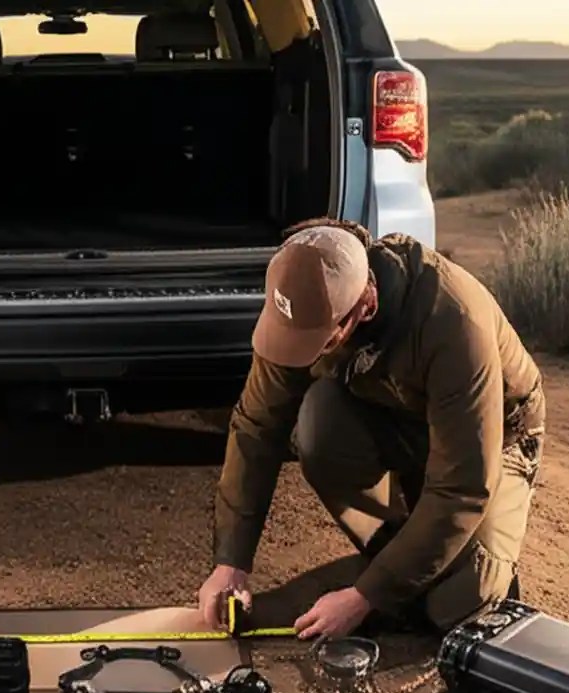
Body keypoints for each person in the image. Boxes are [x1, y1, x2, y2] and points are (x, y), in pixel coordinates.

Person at [197, 218, 546, 641]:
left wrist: (365, 597)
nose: (301, 352)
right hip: (396, 411)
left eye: (322, 342)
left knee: (461, 597)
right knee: (318, 424)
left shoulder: (454, 322)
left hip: (498, 438)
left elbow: (463, 487)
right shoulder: (301, 309)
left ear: (366, 305)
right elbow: (256, 427)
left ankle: (423, 571)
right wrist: (231, 561)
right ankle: (402, 556)